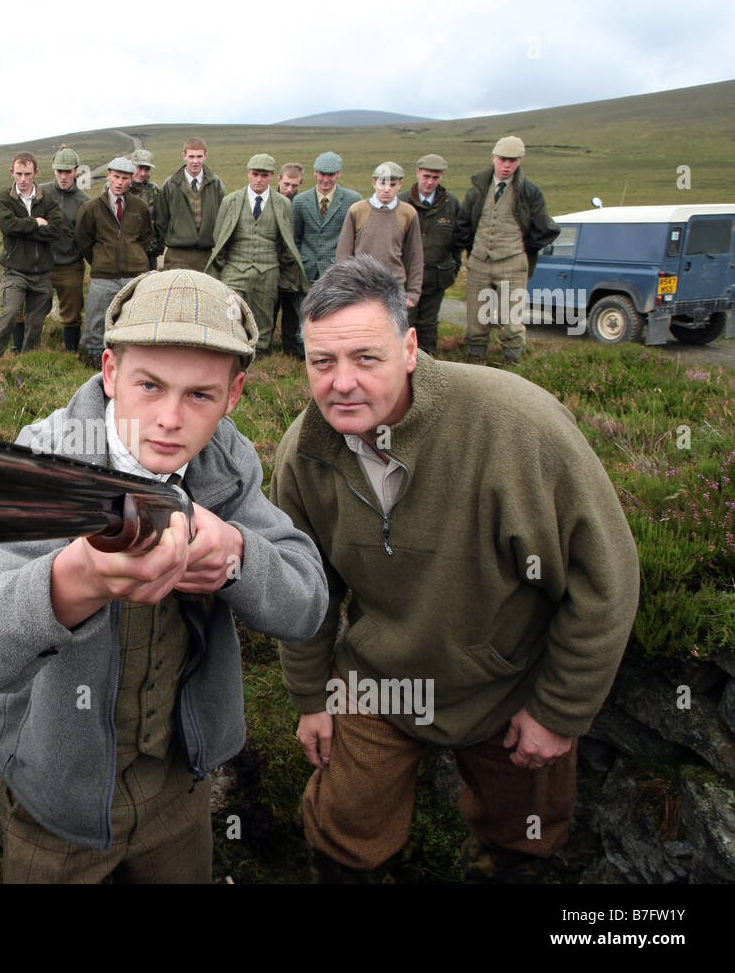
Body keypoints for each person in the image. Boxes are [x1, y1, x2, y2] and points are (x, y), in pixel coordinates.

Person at [0, 269, 329, 883]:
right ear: (110, 371)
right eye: (149, 385)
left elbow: (306, 604)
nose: (170, 419)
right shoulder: (39, 465)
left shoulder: (227, 463)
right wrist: (73, 580)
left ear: (235, 394)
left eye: (201, 395)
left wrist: (238, 556)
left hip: (181, 794)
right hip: (54, 810)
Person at [270, 255, 639, 882]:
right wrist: (311, 697)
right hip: (377, 683)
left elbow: (606, 577)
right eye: (322, 362)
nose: (342, 384)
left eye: (366, 358)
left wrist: (558, 710)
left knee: (523, 847)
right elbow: (304, 593)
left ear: (410, 348)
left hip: (509, 680)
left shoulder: (518, 427)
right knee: (342, 840)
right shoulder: (305, 452)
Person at [459, 136, 561, 365]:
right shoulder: (477, 190)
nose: (507, 165)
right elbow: (464, 225)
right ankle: (475, 360)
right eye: (503, 159)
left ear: (520, 161)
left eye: (512, 161)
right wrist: (473, 249)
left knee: (512, 318)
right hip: (479, 262)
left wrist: (522, 248)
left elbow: (546, 228)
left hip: (513, 264)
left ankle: (511, 363)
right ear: (494, 158)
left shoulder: (529, 192)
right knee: (476, 317)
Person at [206, 154, 307, 354]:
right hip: (234, 267)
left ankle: (260, 353)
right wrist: (222, 267)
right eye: (255, 174)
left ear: (272, 176)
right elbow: (219, 236)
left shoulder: (283, 204)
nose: (259, 179)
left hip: (268, 269)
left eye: (264, 175)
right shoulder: (231, 201)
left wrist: (284, 270)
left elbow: (285, 239)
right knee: (230, 311)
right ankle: (229, 348)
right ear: (248, 173)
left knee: (264, 315)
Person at [76, 156, 154, 370]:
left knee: (135, 318)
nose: (120, 182)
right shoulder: (91, 208)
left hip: (134, 274)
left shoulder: (140, 207)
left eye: (125, 178)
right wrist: (101, 260)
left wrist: (135, 256)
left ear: (132, 179)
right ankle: (93, 359)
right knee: (96, 319)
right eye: (116, 176)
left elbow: (146, 237)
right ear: (109, 175)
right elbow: (84, 241)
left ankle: (133, 361)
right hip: (103, 275)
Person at [0, 151, 63, 361]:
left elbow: (56, 230)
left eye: (27, 174)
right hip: (15, 271)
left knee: (36, 321)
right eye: (19, 173)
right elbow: (7, 226)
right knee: (10, 313)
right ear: (12, 172)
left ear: (36, 172)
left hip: (42, 273)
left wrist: (23, 228)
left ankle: (28, 360)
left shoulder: (48, 199)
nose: (23, 179)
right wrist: (36, 222)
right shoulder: (4, 198)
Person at [398, 153, 466, 355]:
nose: (429, 182)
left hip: (437, 277)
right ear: (418, 173)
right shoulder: (401, 202)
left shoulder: (451, 204)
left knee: (428, 326)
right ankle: (401, 368)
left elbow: (458, 241)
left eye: (435, 178)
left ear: (441, 177)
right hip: (406, 279)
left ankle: (427, 367)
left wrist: (452, 268)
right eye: (426, 176)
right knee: (404, 324)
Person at [335, 161, 423, 309]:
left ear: (400, 184)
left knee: (392, 330)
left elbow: (415, 256)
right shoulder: (357, 210)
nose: (386, 189)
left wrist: (413, 292)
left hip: (394, 287)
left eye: (392, 185)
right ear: (374, 182)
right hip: (360, 286)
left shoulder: (408, 213)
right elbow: (344, 253)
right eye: (382, 183)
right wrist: (344, 287)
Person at [42, 146, 92, 354]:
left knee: (71, 312)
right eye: (59, 171)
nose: (63, 176)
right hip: (40, 265)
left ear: (76, 171)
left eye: (68, 171)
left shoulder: (84, 202)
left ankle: (71, 352)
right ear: (53, 170)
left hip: (70, 265)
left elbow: (89, 237)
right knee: (32, 309)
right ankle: (26, 351)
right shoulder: (40, 194)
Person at [156, 138, 223, 272]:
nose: (195, 161)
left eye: (199, 156)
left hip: (205, 256)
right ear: (184, 156)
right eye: (191, 156)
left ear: (206, 156)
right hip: (176, 256)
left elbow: (222, 217)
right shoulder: (170, 184)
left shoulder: (216, 184)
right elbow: (161, 221)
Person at [292, 151, 361, 284]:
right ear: (315, 172)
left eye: (331, 175)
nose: (325, 179)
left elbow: (357, 239)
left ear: (339, 173)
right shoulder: (300, 201)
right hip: (307, 272)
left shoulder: (353, 199)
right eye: (322, 174)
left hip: (338, 272)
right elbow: (296, 237)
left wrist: (347, 265)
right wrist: (302, 260)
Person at [275, 163, 306, 356]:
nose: (290, 189)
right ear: (279, 180)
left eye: (295, 186)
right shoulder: (268, 199)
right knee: (268, 308)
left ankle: (291, 351)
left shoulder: (301, 204)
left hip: (292, 266)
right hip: (269, 262)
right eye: (287, 184)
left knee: (291, 309)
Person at [129, 149, 162, 271]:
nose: (142, 173)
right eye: (139, 168)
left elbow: (161, 220)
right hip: (123, 253)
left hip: (148, 253)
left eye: (147, 169)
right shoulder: (118, 188)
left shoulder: (154, 190)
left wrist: (158, 247)